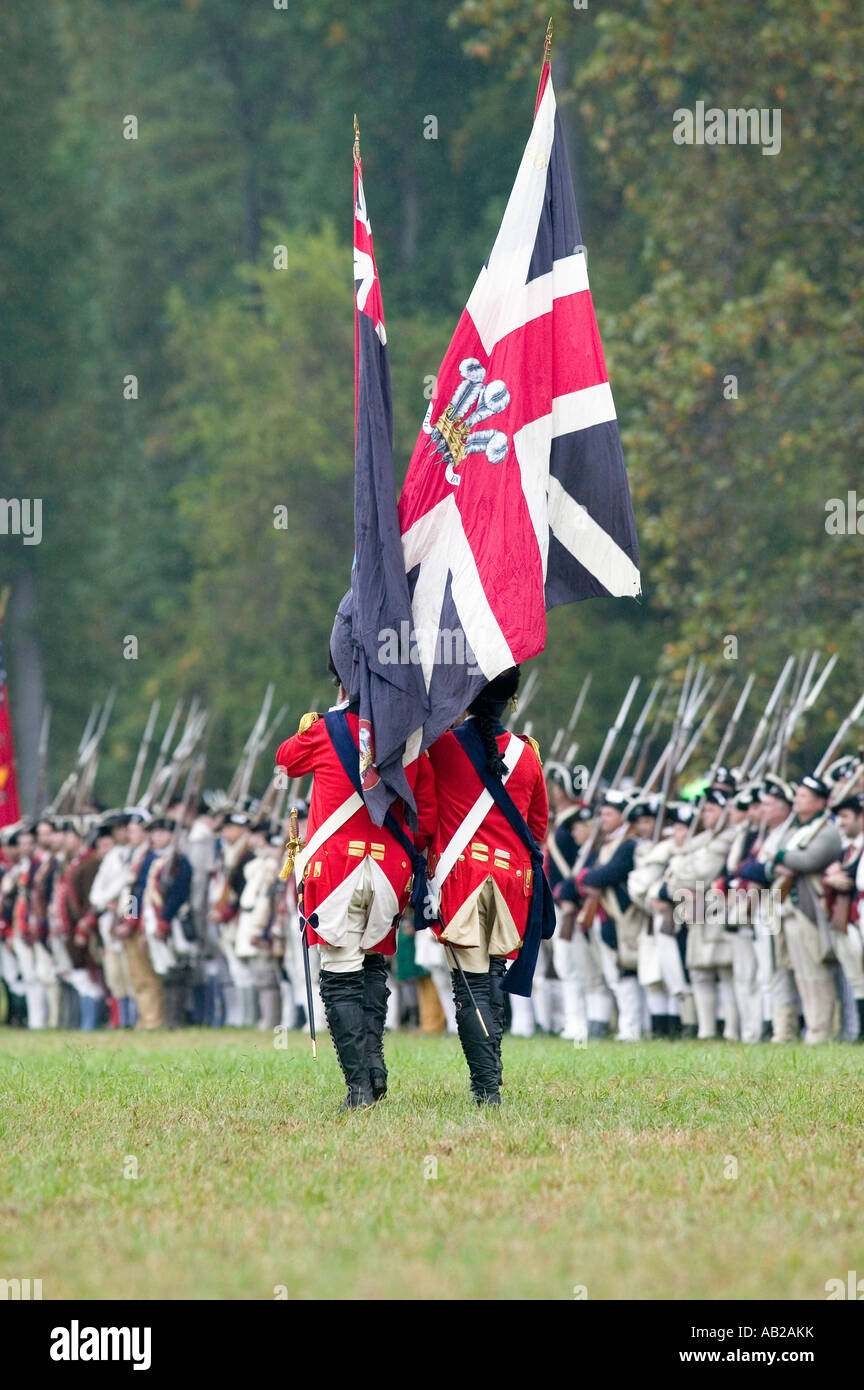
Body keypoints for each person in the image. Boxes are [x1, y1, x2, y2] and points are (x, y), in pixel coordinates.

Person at [275, 649, 437, 1111]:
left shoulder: (326, 730)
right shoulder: (408, 739)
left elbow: (285, 760)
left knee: (340, 971)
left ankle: (359, 1087)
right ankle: (375, 1065)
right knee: (372, 967)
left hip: (338, 871)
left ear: (342, 685)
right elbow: (423, 818)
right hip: (390, 871)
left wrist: (330, 714)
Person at [426, 667, 549, 1104]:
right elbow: (537, 828)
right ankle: (490, 1082)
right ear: (510, 701)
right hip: (514, 882)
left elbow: (424, 808)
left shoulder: (440, 747)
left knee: (471, 984)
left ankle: (486, 1089)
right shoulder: (529, 756)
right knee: (493, 977)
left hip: (464, 880)